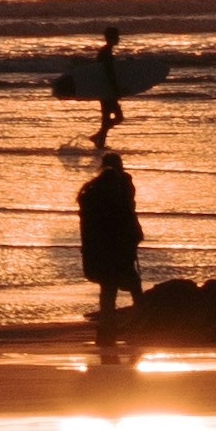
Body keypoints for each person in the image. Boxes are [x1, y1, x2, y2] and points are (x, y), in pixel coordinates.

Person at [76, 139, 144, 358]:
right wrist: (134, 236)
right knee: (134, 287)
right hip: (119, 245)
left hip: (100, 249)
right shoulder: (122, 185)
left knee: (108, 291)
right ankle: (138, 324)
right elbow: (128, 213)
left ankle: (106, 333)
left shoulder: (91, 189)